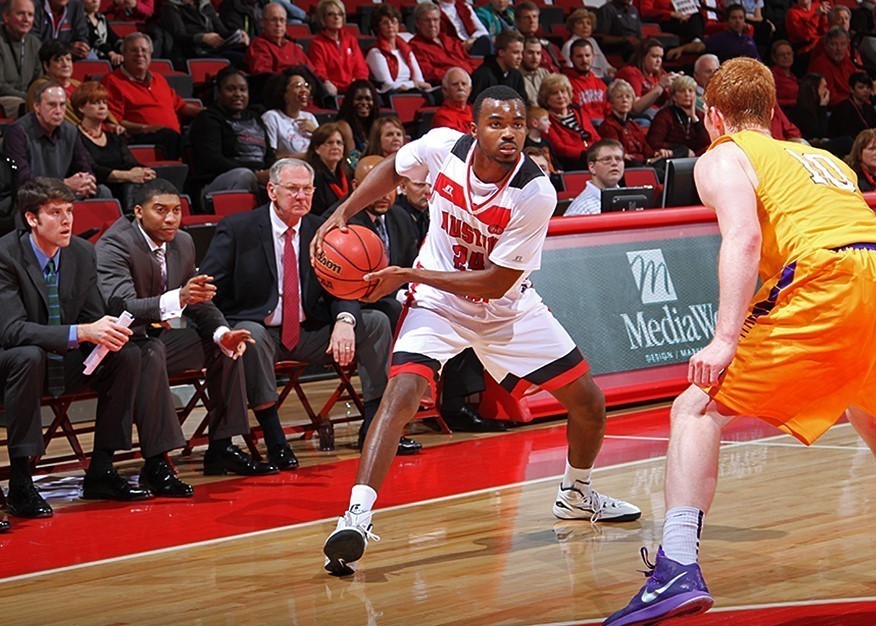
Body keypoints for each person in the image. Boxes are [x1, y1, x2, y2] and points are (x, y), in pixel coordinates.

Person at [601, 56, 876, 626]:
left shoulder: (721, 155)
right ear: (772, 112)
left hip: (834, 272)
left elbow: (745, 237)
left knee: (693, 408)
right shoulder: (822, 157)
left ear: (712, 115)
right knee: (871, 410)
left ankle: (676, 567)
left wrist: (725, 339)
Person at [315, 85, 641, 576]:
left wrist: (412, 273)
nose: (509, 133)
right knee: (401, 394)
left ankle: (576, 492)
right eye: (496, 124)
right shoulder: (443, 147)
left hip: (506, 310)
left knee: (590, 404)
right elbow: (393, 167)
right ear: (474, 128)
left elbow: (495, 283)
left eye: (517, 124)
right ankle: (356, 516)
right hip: (439, 305)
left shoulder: (535, 191)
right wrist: (344, 211)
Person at [198, 158, 412, 467]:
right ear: (272, 190)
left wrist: (344, 320)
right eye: (293, 189)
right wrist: (222, 330)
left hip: (311, 331)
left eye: (307, 189)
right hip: (262, 331)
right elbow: (208, 289)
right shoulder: (238, 228)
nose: (301, 196)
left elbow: (346, 285)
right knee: (252, 333)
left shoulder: (323, 229)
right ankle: (275, 439)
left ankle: (375, 426)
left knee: (376, 321)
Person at [95, 179, 282, 479]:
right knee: (152, 352)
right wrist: (178, 297)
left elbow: (199, 302)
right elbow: (121, 305)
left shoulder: (182, 241)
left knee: (226, 348)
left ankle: (222, 446)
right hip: (119, 344)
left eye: (176, 210)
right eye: (161, 210)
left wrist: (223, 334)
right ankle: (157, 462)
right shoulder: (115, 243)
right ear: (139, 212)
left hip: (158, 339)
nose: (171, 218)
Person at [0, 178, 144, 523]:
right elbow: (12, 330)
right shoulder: (5, 255)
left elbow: (93, 317)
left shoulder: (81, 252)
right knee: (28, 355)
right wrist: (82, 331)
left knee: (126, 354)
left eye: (69, 212)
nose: (67, 221)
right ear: (32, 219)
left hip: (63, 359)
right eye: (55, 213)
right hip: (11, 360)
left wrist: (110, 329)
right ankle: (21, 480)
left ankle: (102, 469)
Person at [345, 155, 419, 329]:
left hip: (397, 295)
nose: (384, 194)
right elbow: (355, 281)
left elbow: (412, 263)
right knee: (394, 309)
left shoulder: (401, 216)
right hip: (358, 302)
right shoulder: (344, 223)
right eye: (377, 188)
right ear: (356, 187)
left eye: (390, 187)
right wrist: (399, 295)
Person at [102, 32, 202, 160]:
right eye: (134, 50)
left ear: (150, 55)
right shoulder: (112, 81)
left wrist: (204, 113)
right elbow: (115, 121)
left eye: (144, 50)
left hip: (173, 136)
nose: (140, 54)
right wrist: (145, 128)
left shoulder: (159, 78)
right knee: (169, 136)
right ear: (124, 54)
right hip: (140, 137)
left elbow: (180, 105)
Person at [3, 80, 108, 200]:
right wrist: (65, 183)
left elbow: (84, 166)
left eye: (62, 105)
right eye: (52, 105)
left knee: (103, 192)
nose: (58, 111)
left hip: (61, 194)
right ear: (37, 106)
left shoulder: (71, 130)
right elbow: (22, 179)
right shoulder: (17, 132)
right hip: (30, 197)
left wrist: (86, 180)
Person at [188, 67, 273, 209]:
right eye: (231, 89)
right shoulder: (208, 118)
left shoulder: (255, 117)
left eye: (243, 90)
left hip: (258, 177)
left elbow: (269, 154)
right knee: (245, 175)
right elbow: (212, 160)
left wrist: (273, 171)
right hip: (216, 181)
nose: (238, 94)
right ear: (219, 93)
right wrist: (256, 175)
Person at [72, 81, 156, 207]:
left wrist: (144, 171)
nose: (102, 107)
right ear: (81, 108)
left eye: (104, 103)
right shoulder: (74, 136)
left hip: (124, 187)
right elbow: (92, 169)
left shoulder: (114, 137)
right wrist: (128, 175)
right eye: (95, 103)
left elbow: (130, 162)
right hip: (98, 189)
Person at [599, 79, 671, 165]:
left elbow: (646, 149)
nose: (624, 100)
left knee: (670, 158)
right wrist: (646, 160)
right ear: (611, 103)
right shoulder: (608, 126)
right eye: (619, 97)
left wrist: (657, 153)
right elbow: (621, 155)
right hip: (628, 166)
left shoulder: (633, 125)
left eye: (628, 96)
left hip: (644, 163)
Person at [366, 3, 431, 94]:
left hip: (412, 89)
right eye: (385, 23)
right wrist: (414, 84)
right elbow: (387, 85)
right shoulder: (375, 52)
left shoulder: (406, 49)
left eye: (393, 22)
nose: (390, 26)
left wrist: (414, 84)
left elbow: (420, 79)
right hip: (393, 94)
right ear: (378, 27)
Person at [160, 0, 249, 66]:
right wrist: (202, 38)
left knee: (245, 58)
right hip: (191, 52)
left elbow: (222, 31)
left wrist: (239, 33)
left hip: (214, 49)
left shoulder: (206, 5)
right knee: (230, 62)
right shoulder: (170, 7)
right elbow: (179, 35)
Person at [307, 0, 369, 95]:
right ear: (323, 18)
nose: (336, 17)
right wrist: (342, 87)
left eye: (340, 14)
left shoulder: (350, 40)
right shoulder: (317, 44)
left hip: (354, 90)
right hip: (334, 91)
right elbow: (320, 74)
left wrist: (356, 84)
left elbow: (361, 69)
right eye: (331, 14)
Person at [539, 73, 598, 170]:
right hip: (573, 161)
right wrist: (586, 154)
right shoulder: (546, 119)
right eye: (555, 93)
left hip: (593, 155)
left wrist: (602, 150)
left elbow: (595, 136)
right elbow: (560, 148)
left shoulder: (578, 111)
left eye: (563, 91)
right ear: (546, 98)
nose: (560, 96)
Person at [409, 2, 475, 87]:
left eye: (435, 20)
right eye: (427, 20)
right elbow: (428, 72)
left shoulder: (452, 41)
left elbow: (470, 62)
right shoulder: (415, 46)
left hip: (470, 80)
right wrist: (456, 76)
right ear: (418, 23)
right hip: (448, 86)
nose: (432, 25)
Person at [245, 3, 313, 83]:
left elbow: (313, 72)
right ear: (262, 23)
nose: (278, 24)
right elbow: (264, 76)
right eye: (273, 20)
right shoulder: (258, 45)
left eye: (282, 20)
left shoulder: (294, 47)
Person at [262, 66, 319, 159]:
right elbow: (270, 159)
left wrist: (317, 132)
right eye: (298, 86)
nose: (304, 90)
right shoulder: (272, 117)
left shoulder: (309, 117)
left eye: (306, 86)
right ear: (284, 93)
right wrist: (302, 157)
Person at [648, 75, 711, 157]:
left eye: (690, 91)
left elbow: (707, 142)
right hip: (673, 157)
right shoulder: (664, 115)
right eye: (682, 91)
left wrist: (694, 118)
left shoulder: (700, 115)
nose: (687, 94)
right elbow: (654, 142)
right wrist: (683, 150)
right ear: (673, 96)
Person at [0, 0, 42, 120]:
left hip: (27, 97)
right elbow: (1, 86)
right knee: (31, 107)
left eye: (30, 15)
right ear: (6, 16)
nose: (26, 19)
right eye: (20, 14)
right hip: (5, 97)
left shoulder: (34, 43)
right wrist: (29, 98)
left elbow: (38, 80)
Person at [564, 138, 626, 215]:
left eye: (618, 159)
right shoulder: (580, 210)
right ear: (592, 167)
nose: (614, 163)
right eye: (607, 159)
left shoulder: (630, 202)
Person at [616, 38, 674, 116]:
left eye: (661, 57)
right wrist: (660, 86)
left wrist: (678, 86)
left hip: (659, 113)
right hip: (640, 117)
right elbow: (636, 108)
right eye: (655, 56)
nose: (659, 61)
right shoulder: (630, 73)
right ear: (643, 57)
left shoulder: (660, 73)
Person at [305, 121, 353, 216]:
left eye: (339, 143)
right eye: (329, 143)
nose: (335, 147)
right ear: (317, 148)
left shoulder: (347, 174)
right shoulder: (312, 176)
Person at [808, 27, 861, 106]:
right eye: (834, 44)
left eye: (842, 44)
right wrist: (856, 101)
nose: (838, 49)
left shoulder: (848, 61)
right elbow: (831, 98)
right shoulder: (821, 64)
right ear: (826, 46)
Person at [470, 29, 527, 104]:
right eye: (516, 52)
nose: (520, 57)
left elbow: (523, 104)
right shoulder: (483, 75)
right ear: (501, 53)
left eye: (521, 53)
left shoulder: (516, 75)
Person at [561, 8, 614, 78]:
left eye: (588, 23)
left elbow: (605, 64)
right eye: (580, 23)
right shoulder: (569, 45)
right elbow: (569, 71)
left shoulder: (592, 41)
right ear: (572, 26)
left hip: (600, 79)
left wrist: (610, 70)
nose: (585, 26)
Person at [513, 1, 564, 73]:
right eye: (527, 17)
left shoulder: (547, 44)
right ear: (517, 21)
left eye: (534, 17)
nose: (532, 21)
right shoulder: (512, 44)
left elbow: (562, 65)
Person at [828, 71, 876, 140]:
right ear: (852, 89)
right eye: (861, 87)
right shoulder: (843, 108)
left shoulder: (870, 109)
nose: (865, 90)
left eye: (868, 87)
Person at [566, 39, 607, 122]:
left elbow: (610, 108)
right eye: (579, 56)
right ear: (571, 58)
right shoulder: (566, 84)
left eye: (587, 55)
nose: (584, 60)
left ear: (593, 57)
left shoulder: (600, 83)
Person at [336, 79, 376, 155]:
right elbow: (352, 159)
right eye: (359, 99)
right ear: (350, 101)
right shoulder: (344, 125)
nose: (364, 103)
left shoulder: (374, 124)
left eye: (368, 99)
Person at [431, 67, 474, 133]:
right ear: (445, 90)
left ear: (470, 89)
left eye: (464, 84)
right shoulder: (442, 116)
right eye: (455, 84)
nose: (460, 88)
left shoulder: (476, 112)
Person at [81, 0, 122, 64]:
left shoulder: (101, 17)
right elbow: (94, 38)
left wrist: (124, 46)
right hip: (90, 54)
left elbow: (112, 37)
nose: (95, 1)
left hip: (105, 53)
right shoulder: (79, 19)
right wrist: (110, 53)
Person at [519, 35, 547, 107]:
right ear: (522, 53)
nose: (535, 57)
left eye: (538, 53)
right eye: (530, 53)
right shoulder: (515, 76)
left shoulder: (544, 73)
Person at [771, 40, 799, 108]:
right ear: (775, 58)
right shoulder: (772, 76)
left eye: (789, 53)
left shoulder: (793, 77)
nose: (786, 57)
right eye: (781, 54)